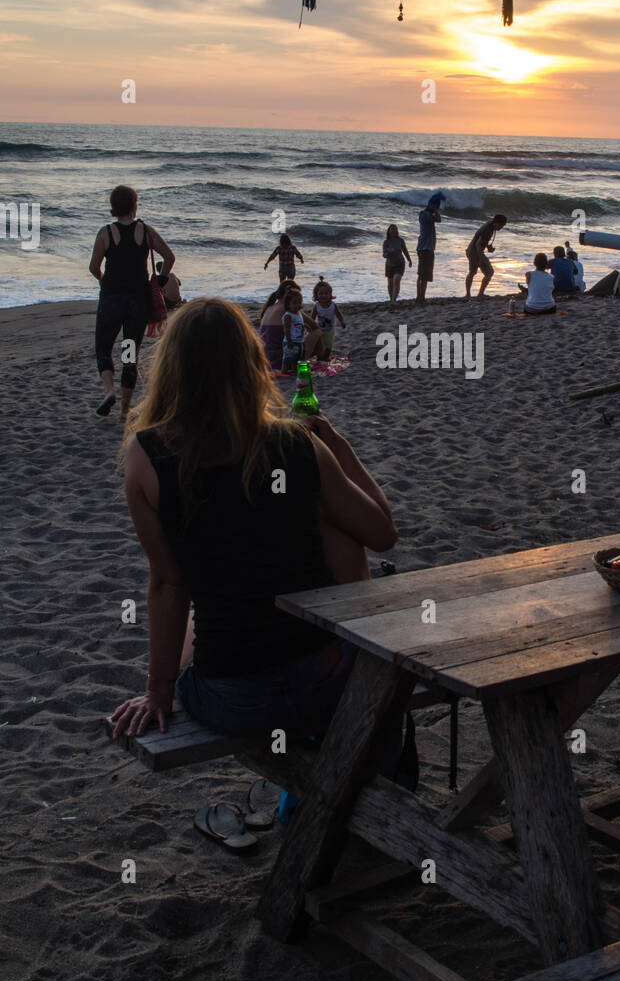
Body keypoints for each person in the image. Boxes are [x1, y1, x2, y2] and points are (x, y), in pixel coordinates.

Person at [109, 298, 410, 777]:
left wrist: (158, 690)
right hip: (326, 681)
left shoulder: (146, 457)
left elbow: (167, 585)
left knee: (195, 607)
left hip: (233, 699)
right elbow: (383, 533)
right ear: (252, 364)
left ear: (170, 369)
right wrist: (333, 439)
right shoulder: (298, 443)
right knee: (337, 527)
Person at [88, 185, 175, 418]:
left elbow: (93, 267)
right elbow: (169, 256)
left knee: (104, 348)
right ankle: (125, 410)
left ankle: (108, 391)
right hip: (137, 302)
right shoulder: (145, 232)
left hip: (111, 301)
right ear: (134, 205)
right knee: (129, 353)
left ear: (114, 206)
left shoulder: (105, 233)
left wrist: (103, 280)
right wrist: (160, 281)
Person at [465, 213, 507, 298]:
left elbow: (481, 241)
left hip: (473, 250)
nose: (501, 228)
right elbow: (478, 244)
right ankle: (474, 294)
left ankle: (473, 294)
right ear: (496, 223)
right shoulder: (488, 229)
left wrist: (488, 247)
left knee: (477, 272)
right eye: (501, 226)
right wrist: (481, 259)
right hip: (474, 252)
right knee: (487, 272)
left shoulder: (490, 226)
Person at [282, 287, 326, 368]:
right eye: (295, 303)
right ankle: (284, 370)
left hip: (299, 340)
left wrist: (306, 327)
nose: (298, 305)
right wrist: (289, 340)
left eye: (300, 302)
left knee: (298, 356)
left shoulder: (298, 313)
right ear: (288, 304)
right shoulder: (288, 315)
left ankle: (294, 368)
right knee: (288, 357)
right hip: (291, 341)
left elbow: (299, 323)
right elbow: (286, 329)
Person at [416, 193, 443, 304]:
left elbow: (438, 220)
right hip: (425, 248)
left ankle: (421, 297)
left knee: (423, 274)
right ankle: (420, 297)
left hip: (426, 248)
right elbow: (438, 219)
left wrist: (435, 209)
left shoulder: (425, 214)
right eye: (436, 206)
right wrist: (435, 210)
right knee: (424, 275)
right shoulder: (425, 214)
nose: (437, 209)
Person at [311, 277, 346, 357]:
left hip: (330, 330)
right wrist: (311, 328)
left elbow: (338, 314)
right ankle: (319, 356)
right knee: (319, 344)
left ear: (330, 294)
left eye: (326, 293)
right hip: (318, 329)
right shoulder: (317, 306)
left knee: (328, 345)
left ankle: (326, 357)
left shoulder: (333, 305)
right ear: (316, 295)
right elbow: (312, 318)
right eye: (321, 293)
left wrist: (342, 321)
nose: (324, 295)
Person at [259, 280, 290, 370]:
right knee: (316, 333)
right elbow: (313, 327)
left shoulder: (270, 307)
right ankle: (322, 358)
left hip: (265, 357)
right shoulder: (286, 307)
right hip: (279, 358)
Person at [382, 223, 412, 302]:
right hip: (389, 265)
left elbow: (405, 251)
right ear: (389, 231)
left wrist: (409, 260)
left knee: (396, 280)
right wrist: (388, 253)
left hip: (400, 263)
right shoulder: (386, 242)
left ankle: (394, 301)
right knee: (390, 284)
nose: (394, 231)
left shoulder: (400, 240)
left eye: (395, 229)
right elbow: (384, 255)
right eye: (392, 229)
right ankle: (391, 299)